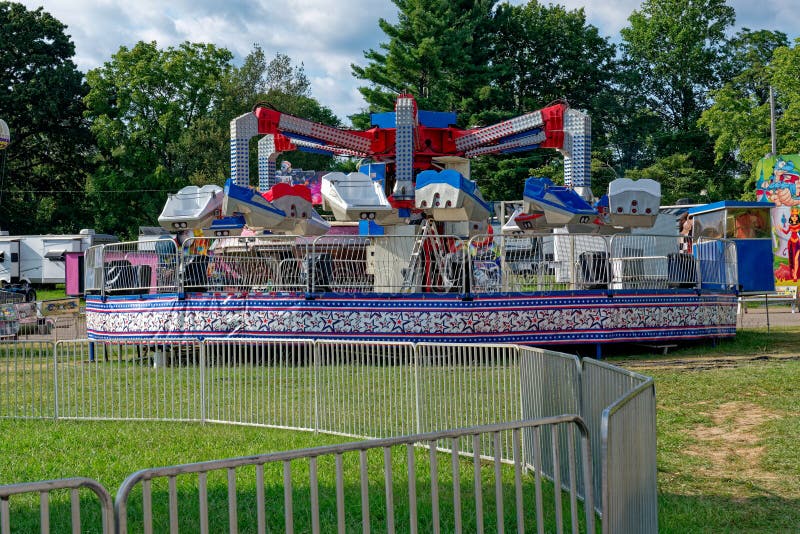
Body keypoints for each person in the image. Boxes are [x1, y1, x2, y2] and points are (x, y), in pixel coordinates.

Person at [781, 208, 800, 282]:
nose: (794, 217)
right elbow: (786, 232)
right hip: (791, 243)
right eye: (793, 216)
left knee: (796, 259)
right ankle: (793, 273)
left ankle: (795, 274)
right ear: (791, 217)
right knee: (792, 260)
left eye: (796, 216)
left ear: (797, 217)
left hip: (798, 243)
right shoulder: (790, 226)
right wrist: (780, 228)